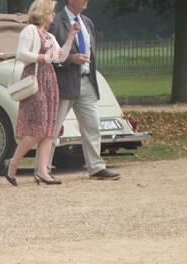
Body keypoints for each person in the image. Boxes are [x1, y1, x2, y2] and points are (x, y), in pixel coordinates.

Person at [4, 0, 75, 186]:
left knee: (49, 129)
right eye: (51, 11)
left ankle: (42, 172)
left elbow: (61, 57)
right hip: (34, 80)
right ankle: (13, 163)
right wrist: (42, 57)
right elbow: (21, 54)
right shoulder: (30, 31)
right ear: (43, 13)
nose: (54, 14)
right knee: (38, 129)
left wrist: (70, 38)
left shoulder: (50, 35)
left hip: (50, 81)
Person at [51, 0, 120, 179]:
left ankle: (96, 167)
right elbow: (52, 53)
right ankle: (43, 169)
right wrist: (71, 59)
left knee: (92, 125)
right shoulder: (56, 22)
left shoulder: (87, 22)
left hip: (86, 81)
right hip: (65, 83)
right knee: (53, 128)